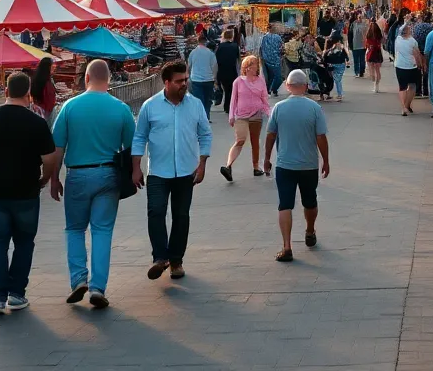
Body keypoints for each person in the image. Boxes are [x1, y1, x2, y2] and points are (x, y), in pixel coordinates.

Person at [0, 72, 58, 315]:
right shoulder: (37, 123)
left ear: (6, 92)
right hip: (26, 192)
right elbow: (50, 159)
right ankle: (17, 293)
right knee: (24, 242)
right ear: (29, 94)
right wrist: (45, 179)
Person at [49, 59, 136, 309]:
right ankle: (98, 287)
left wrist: (54, 178)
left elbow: (58, 148)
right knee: (102, 231)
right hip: (108, 175)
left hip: (77, 175)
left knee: (75, 229)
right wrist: (136, 173)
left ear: (86, 78)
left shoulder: (69, 107)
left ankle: (78, 279)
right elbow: (132, 147)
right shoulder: (121, 108)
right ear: (108, 79)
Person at [133, 60, 212, 281]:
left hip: (186, 171)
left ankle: (176, 260)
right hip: (158, 171)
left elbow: (205, 134)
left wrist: (203, 162)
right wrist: (136, 167)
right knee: (156, 212)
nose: (184, 84)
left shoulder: (195, 105)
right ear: (166, 83)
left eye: (186, 79)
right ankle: (160, 258)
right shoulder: (150, 106)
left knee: (181, 216)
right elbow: (139, 137)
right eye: (179, 81)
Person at [264, 69, 330, 263]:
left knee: (285, 204)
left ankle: (287, 246)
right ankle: (310, 230)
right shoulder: (314, 108)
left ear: (288, 86)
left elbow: (270, 135)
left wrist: (267, 158)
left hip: (284, 164)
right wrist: (325, 160)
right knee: (310, 201)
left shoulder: (278, 108)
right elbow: (321, 137)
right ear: (306, 86)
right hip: (308, 164)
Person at [223, 55, 270, 180]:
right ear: (247, 67)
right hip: (241, 116)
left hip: (257, 114)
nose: (256, 66)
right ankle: (228, 166)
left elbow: (264, 99)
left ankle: (256, 167)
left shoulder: (260, 81)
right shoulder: (238, 81)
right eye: (254, 64)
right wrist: (231, 116)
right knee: (240, 140)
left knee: (255, 142)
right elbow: (233, 100)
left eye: (256, 64)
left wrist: (270, 114)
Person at [186, 32, 218, 120]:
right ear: (205, 42)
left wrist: (187, 76)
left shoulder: (193, 53)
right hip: (208, 79)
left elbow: (189, 66)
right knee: (208, 100)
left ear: (198, 41)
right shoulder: (210, 53)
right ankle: (206, 117)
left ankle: (200, 118)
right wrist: (215, 78)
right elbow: (214, 66)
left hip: (196, 79)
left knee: (198, 100)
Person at [393, 23, 422, 117]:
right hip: (411, 66)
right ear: (409, 31)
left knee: (402, 87)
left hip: (400, 66)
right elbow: (417, 55)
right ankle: (407, 105)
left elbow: (400, 29)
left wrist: (406, 22)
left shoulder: (398, 39)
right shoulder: (413, 41)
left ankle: (403, 108)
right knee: (412, 86)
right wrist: (420, 65)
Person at [215, 28, 241, 114]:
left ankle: (227, 106)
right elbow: (238, 60)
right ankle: (229, 106)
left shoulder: (220, 47)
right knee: (231, 89)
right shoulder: (235, 46)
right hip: (232, 71)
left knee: (226, 89)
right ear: (232, 36)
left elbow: (216, 61)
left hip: (222, 71)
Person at [320, 35, 348, 103]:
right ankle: (339, 94)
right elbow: (346, 57)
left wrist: (324, 62)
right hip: (340, 65)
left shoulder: (330, 49)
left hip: (331, 65)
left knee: (331, 79)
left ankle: (331, 93)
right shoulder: (341, 49)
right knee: (337, 80)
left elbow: (325, 57)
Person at [413, 12, 433, 99]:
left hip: (418, 49)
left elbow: (414, 38)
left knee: (418, 70)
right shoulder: (431, 28)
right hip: (427, 51)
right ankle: (426, 91)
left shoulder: (416, 27)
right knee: (426, 71)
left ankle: (418, 91)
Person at [260, 24, 285, 97]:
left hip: (266, 59)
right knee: (278, 76)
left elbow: (261, 48)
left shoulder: (264, 37)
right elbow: (282, 48)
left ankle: (269, 90)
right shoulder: (278, 37)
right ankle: (273, 89)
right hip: (275, 60)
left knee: (270, 76)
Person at [365, 20, 385, 93]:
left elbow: (367, 45)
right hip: (378, 52)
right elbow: (383, 42)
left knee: (372, 69)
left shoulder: (368, 35)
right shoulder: (379, 35)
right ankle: (377, 86)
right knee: (378, 70)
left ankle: (374, 82)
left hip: (371, 53)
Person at [350, 13, 368, 78]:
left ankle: (361, 72)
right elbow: (350, 34)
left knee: (362, 60)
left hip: (362, 46)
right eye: (359, 17)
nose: (359, 18)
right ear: (357, 17)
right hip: (355, 45)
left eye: (361, 17)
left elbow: (367, 35)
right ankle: (357, 72)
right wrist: (350, 44)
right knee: (356, 60)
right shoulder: (353, 24)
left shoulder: (365, 25)